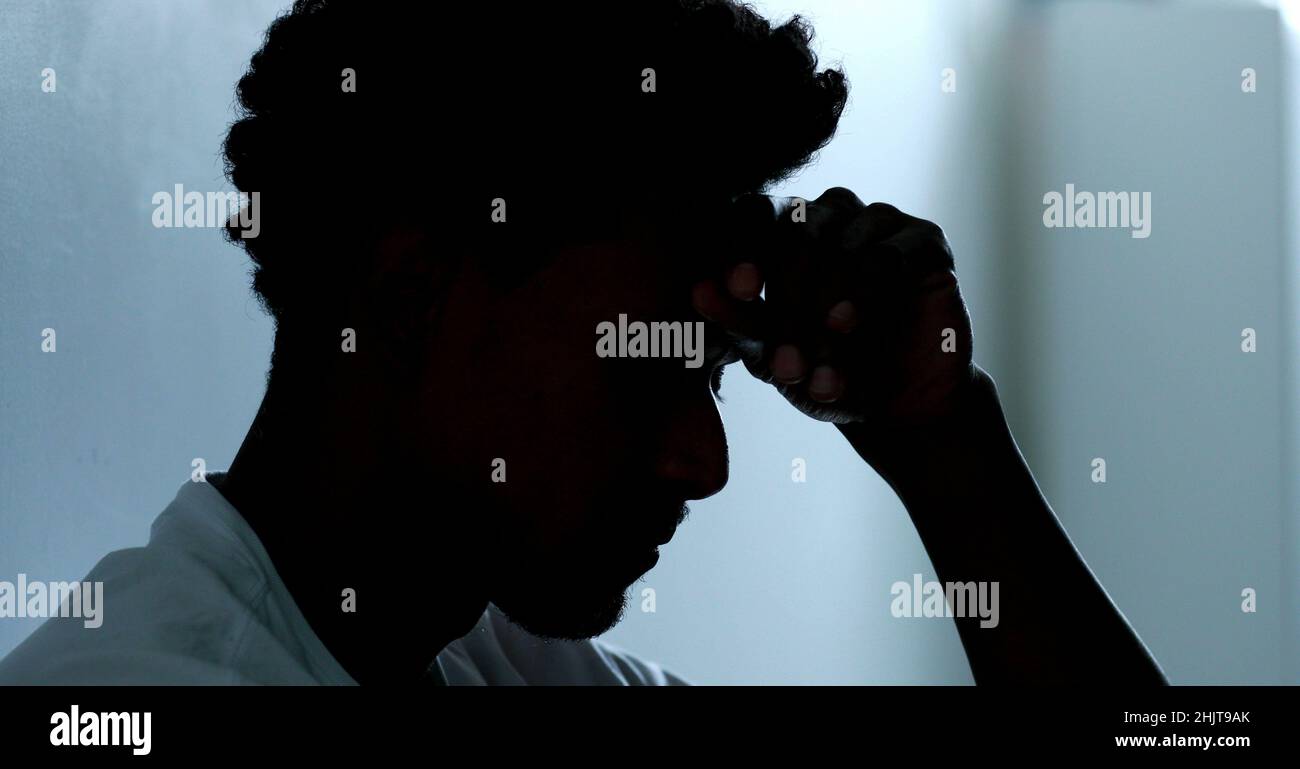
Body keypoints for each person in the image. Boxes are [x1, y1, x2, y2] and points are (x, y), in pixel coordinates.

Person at [0, 0, 1164, 685]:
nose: (705, 463)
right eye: (649, 364)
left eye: (710, 371)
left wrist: (939, 437)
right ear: (407, 289)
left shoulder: (486, 657)